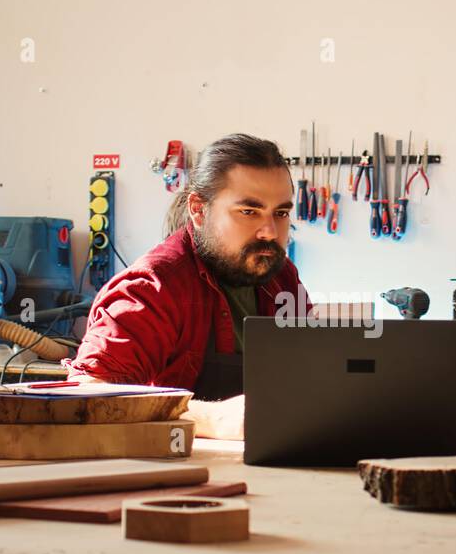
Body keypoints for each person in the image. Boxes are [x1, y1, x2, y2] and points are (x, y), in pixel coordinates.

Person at [65, 134, 306, 439]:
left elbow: (307, 376)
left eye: (281, 213)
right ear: (198, 210)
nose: (269, 232)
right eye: (249, 212)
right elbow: (86, 396)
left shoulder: (282, 280)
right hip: (175, 463)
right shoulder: (153, 287)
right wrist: (210, 419)